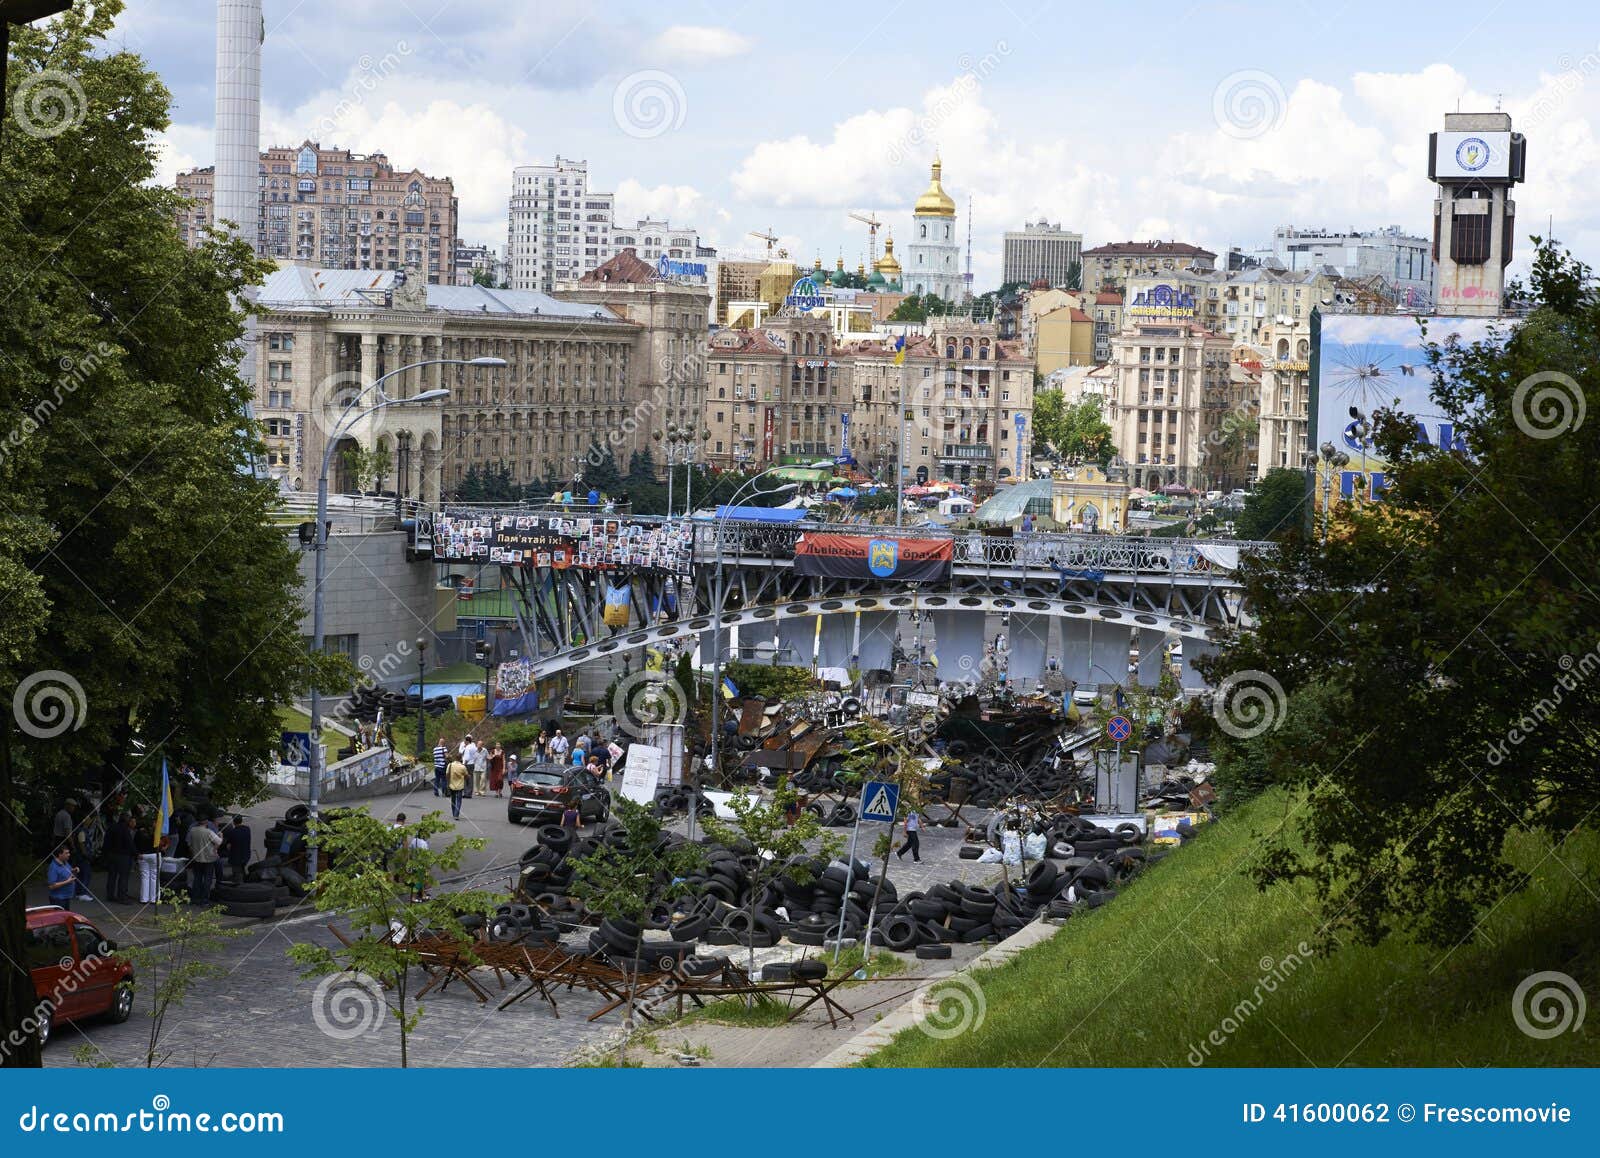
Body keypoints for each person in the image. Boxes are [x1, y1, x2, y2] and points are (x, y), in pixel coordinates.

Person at [187, 819, 222, 905]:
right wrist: (221, 835)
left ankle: (195, 898)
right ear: (206, 822)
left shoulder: (192, 830)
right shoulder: (208, 832)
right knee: (207, 879)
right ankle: (205, 899)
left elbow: (189, 844)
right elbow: (219, 842)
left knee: (197, 878)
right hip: (208, 859)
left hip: (197, 858)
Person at [103, 813, 137, 903]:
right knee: (123, 877)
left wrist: (105, 854)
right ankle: (122, 896)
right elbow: (129, 843)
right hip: (123, 856)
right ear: (127, 820)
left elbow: (105, 842)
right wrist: (136, 853)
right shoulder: (125, 829)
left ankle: (110, 895)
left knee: (112, 876)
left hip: (111, 854)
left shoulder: (111, 827)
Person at [136, 815, 160, 904]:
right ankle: (154, 899)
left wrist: (137, 853)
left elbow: (135, 843)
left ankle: (143, 898)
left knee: (144, 877)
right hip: (154, 854)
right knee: (155, 876)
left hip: (142, 855)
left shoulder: (139, 832)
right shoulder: (156, 832)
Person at [221, 814, 251, 885]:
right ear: (241, 821)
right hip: (246, 855)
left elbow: (228, 846)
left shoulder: (232, 832)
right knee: (242, 868)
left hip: (236, 858)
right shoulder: (247, 829)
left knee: (236, 871)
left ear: (233, 822)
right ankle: (243, 878)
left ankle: (238, 885)